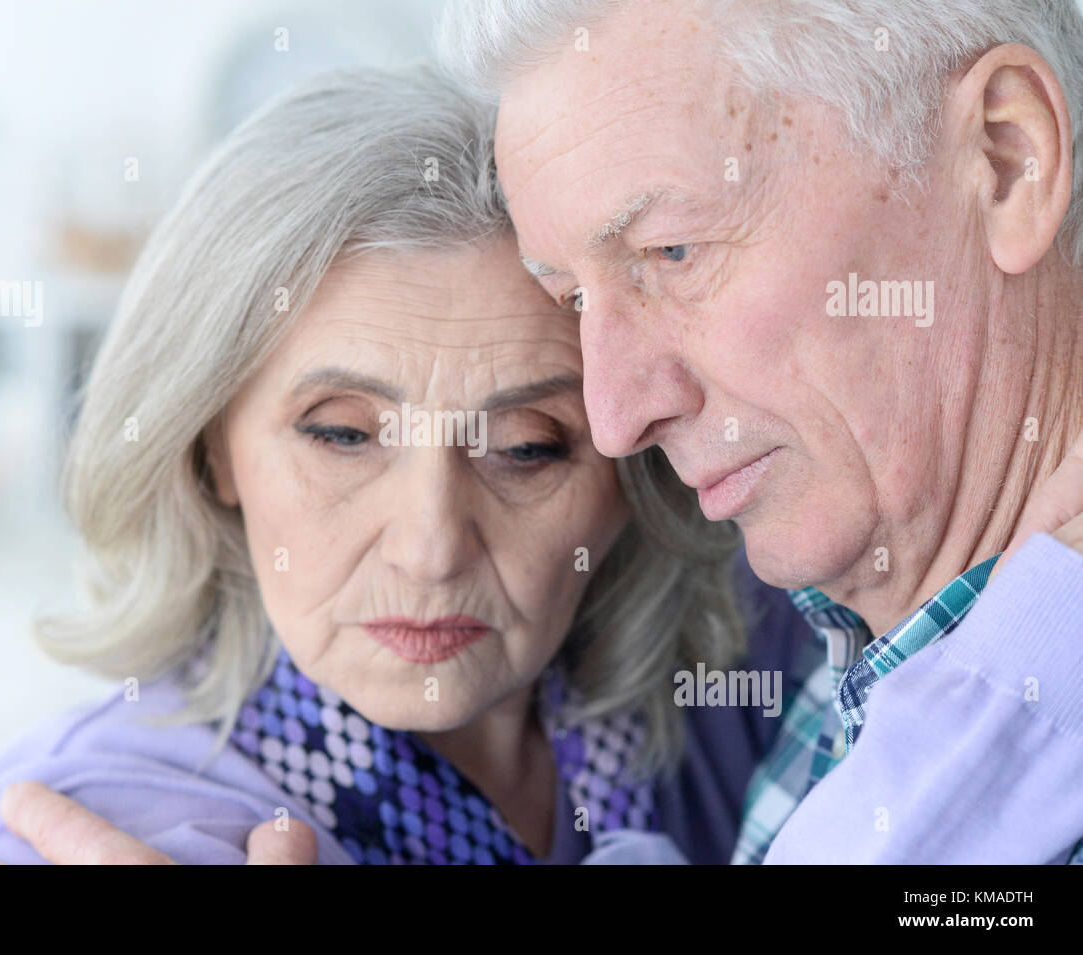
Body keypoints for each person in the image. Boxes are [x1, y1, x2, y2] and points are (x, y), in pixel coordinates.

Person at [0, 62, 814, 866]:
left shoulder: (736, 675)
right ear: (213, 451)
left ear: (632, 469)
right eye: (343, 436)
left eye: (525, 447)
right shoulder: (114, 821)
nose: (431, 547)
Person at [438, 0, 1083, 862]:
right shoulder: (837, 642)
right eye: (575, 299)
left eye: (674, 253)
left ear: (1006, 160)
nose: (617, 417)